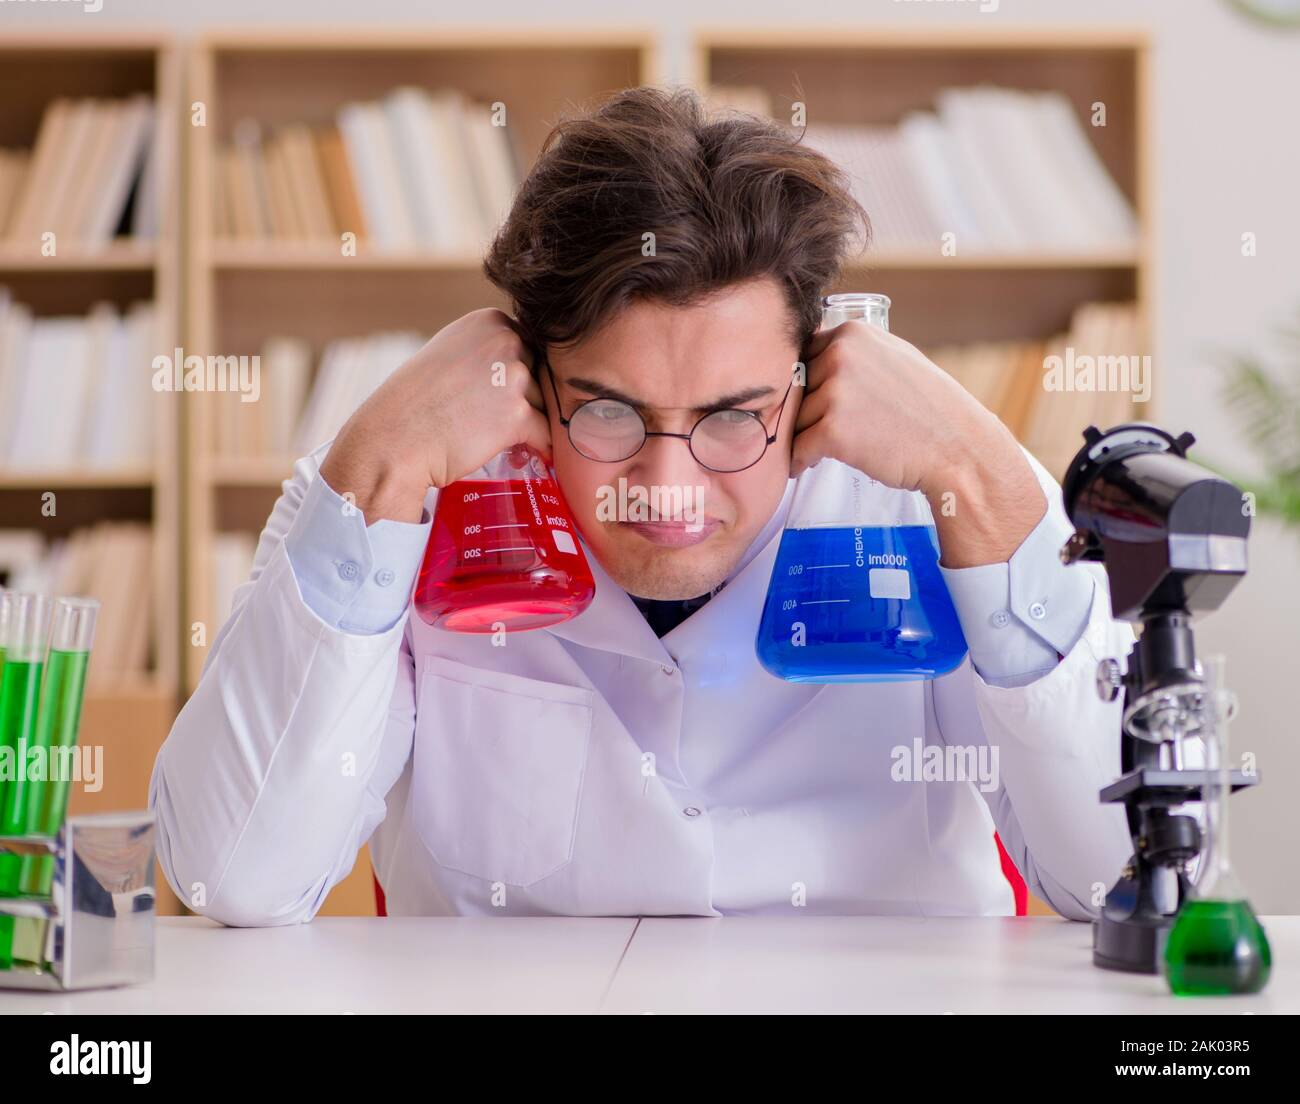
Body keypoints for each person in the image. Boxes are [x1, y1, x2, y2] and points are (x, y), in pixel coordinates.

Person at [150, 86, 1132, 925]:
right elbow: (228, 878)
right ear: (529, 378)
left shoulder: (923, 500)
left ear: (813, 371)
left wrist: (983, 469)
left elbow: (1123, 876)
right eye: (610, 411)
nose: (667, 490)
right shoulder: (398, 498)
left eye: (735, 415)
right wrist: (374, 463)